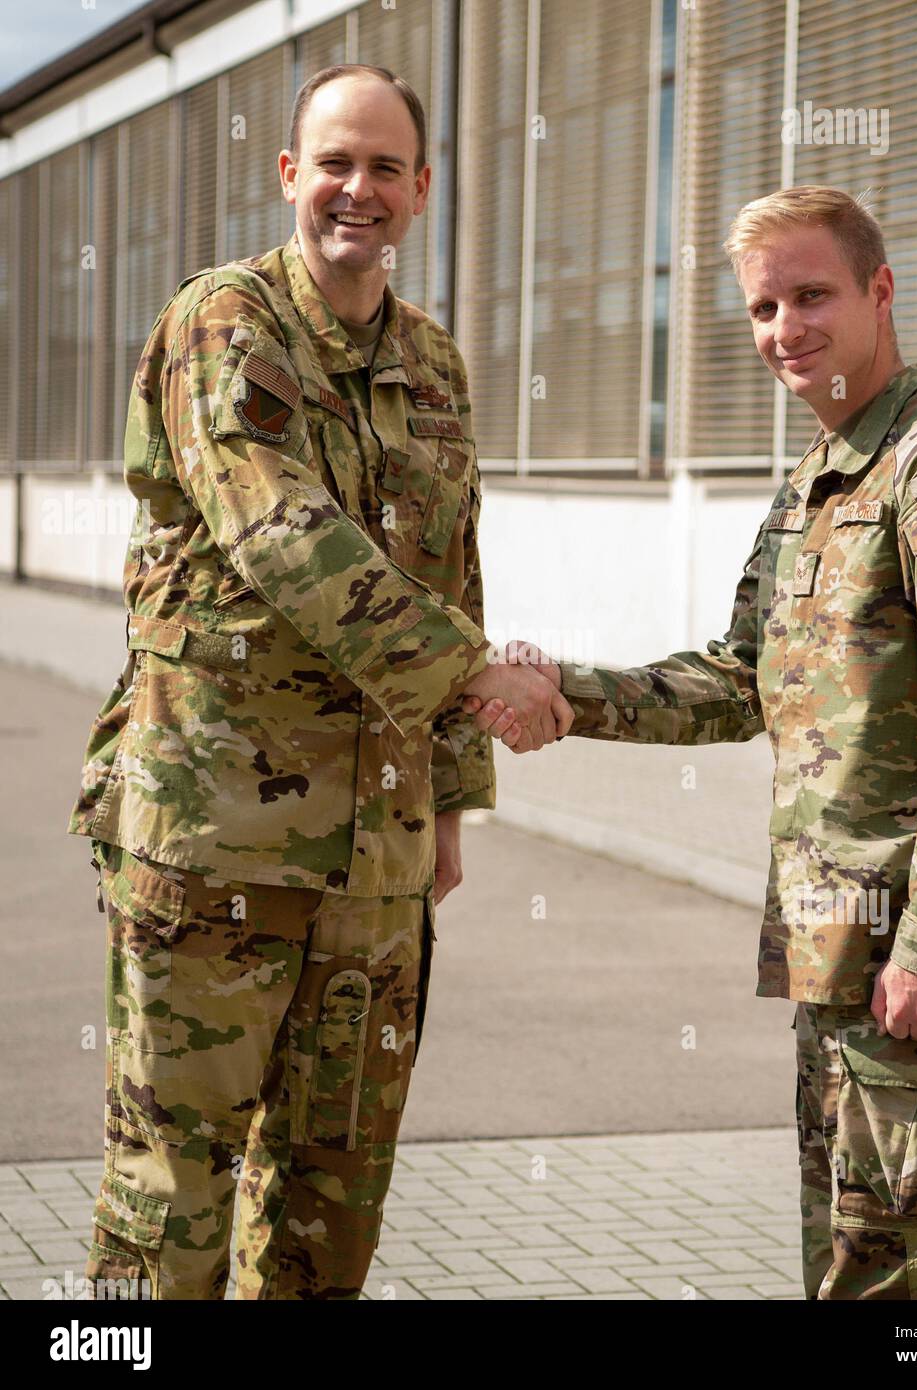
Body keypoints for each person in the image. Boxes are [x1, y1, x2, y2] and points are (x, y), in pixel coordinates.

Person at [468, 186, 917, 1300]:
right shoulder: (819, 481)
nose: (786, 327)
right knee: (850, 1260)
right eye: (762, 306)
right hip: (836, 949)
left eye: (812, 293)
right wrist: (564, 692)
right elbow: (738, 679)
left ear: (881, 292)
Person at [67, 62, 570, 1300]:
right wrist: (487, 688)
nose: (359, 189)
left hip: (377, 865)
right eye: (334, 163)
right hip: (215, 842)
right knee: (169, 1194)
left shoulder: (434, 365)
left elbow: (455, 572)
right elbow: (282, 539)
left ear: (422, 191)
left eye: (386, 168)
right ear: (289, 174)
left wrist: (451, 798)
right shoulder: (225, 323)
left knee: (331, 1199)